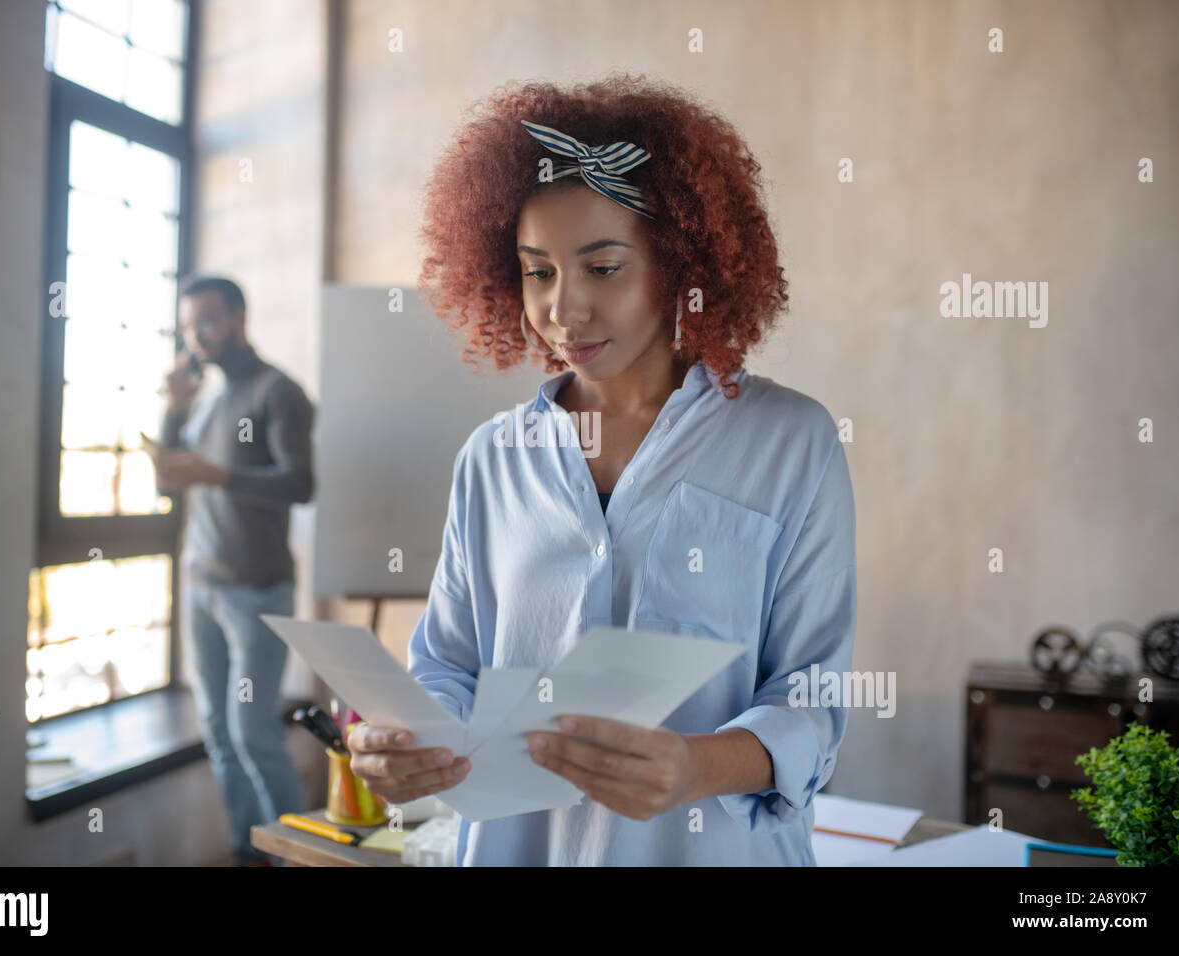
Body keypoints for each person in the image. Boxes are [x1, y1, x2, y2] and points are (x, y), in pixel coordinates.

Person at [347, 74, 857, 866]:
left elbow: (813, 700)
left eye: (603, 268)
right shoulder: (491, 459)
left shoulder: (792, 442)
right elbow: (446, 664)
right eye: (537, 271)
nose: (563, 309)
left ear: (680, 265)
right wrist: (408, 742)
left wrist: (696, 766)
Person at [152, 275, 315, 867]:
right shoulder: (209, 395)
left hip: (258, 590)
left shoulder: (280, 393)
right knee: (218, 733)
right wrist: (174, 410)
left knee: (253, 734)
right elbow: (167, 477)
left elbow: (301, 483)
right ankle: (248, 851)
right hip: (201, 586)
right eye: (189, 324)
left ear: (240, 318)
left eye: (209, 320)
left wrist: (216, 475)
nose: (197, 335)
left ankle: (295, 856)